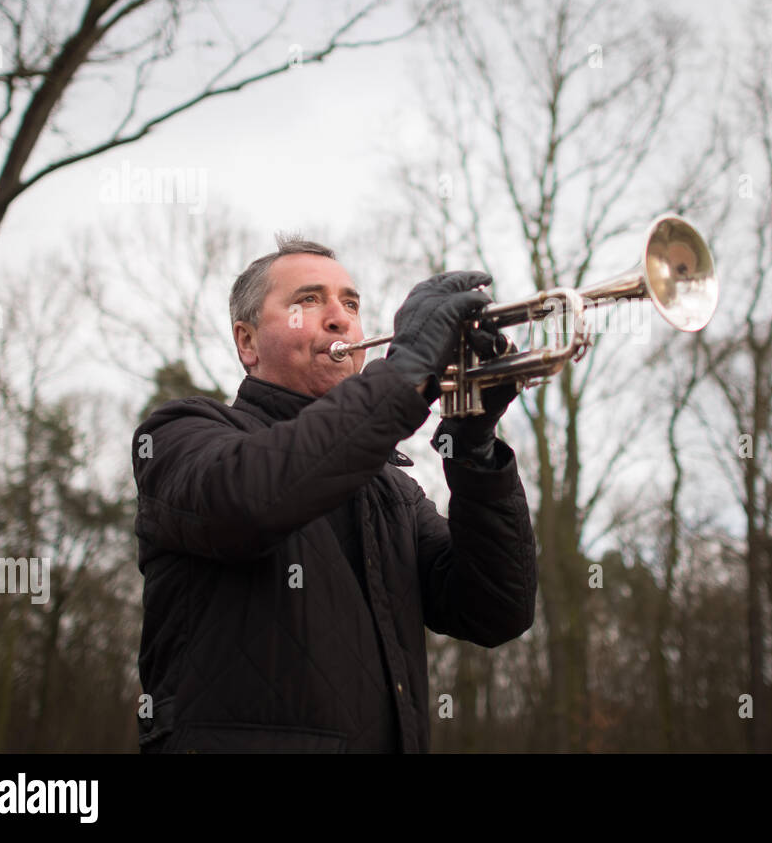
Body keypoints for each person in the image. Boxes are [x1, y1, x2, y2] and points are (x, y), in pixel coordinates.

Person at [132, 235, 536, 753]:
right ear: (247, 342)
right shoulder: (178, 434)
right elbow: (255, 498)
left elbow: (496, 609)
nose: (339, 317)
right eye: (307, 300)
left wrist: (473, 448)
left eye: (351, 303)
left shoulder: (393, 492)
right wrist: (407, 374)